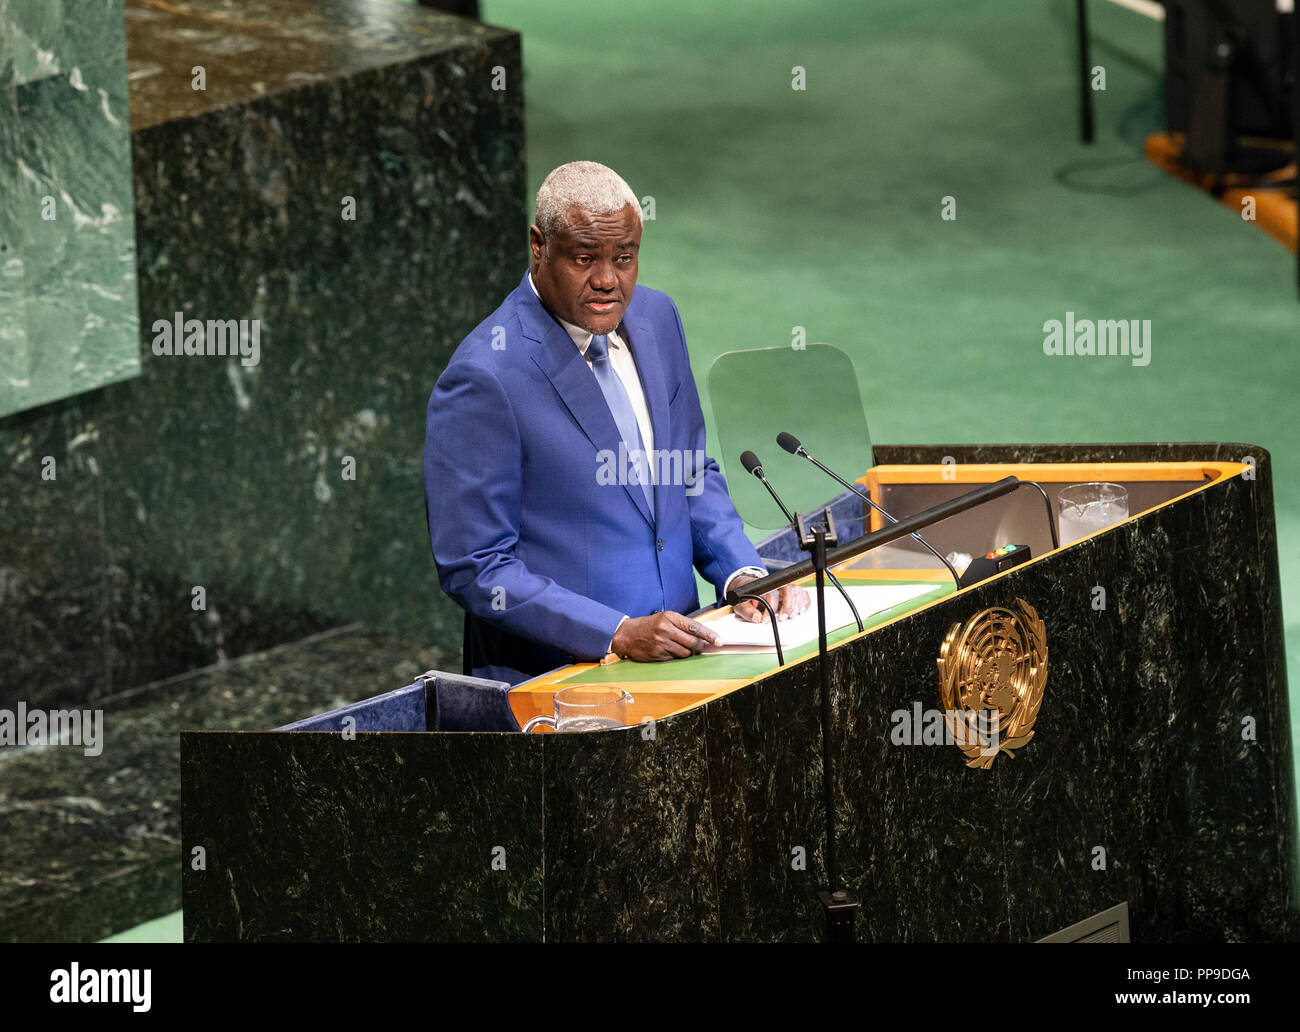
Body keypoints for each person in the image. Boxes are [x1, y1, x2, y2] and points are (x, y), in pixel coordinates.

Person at [425, 161, 807, 685]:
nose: (607, 280)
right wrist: (616, 632)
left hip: (688, 664)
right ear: (539, 245)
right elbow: (476, 565)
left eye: (623, 258)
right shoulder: (485, 376)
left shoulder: (657, 318)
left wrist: (741, 574)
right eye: (584, 258)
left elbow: (687, 470)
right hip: (564, 684)